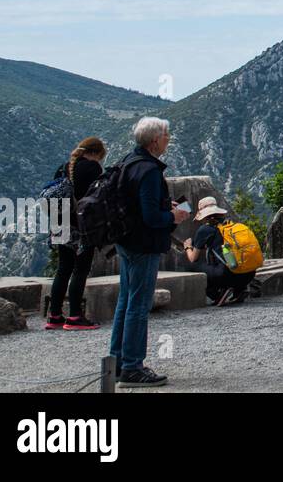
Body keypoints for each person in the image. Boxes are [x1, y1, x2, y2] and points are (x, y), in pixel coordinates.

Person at [109, 117, 187, 387]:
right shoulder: (150, 171)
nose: (169, 139)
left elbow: (137, 204)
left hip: (125, 242)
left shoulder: (129, 162)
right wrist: (173, 216)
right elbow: (152, 217)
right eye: (167, 135)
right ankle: (132, 367)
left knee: (125, 302)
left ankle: (117, 362)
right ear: (155, 140)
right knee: (139, 306)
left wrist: (165, 204)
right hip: (144, 245)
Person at [45, 137, 105, 331]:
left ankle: (54, 316)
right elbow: (97, 198)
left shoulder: (64, 167)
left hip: (59, 225)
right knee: (80, 270)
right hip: (79, 227)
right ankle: (74, 316)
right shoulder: (92, 168)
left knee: (63, 269)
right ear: (95, 153)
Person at [183, 197, 258, 305]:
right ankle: (239, 290)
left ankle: (217, 295)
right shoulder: (231, 225)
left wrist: (187, 247)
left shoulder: (205, 229)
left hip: (228, 275)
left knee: (191, 267)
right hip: (249, 272)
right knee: (227, 263)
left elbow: (192, 258)